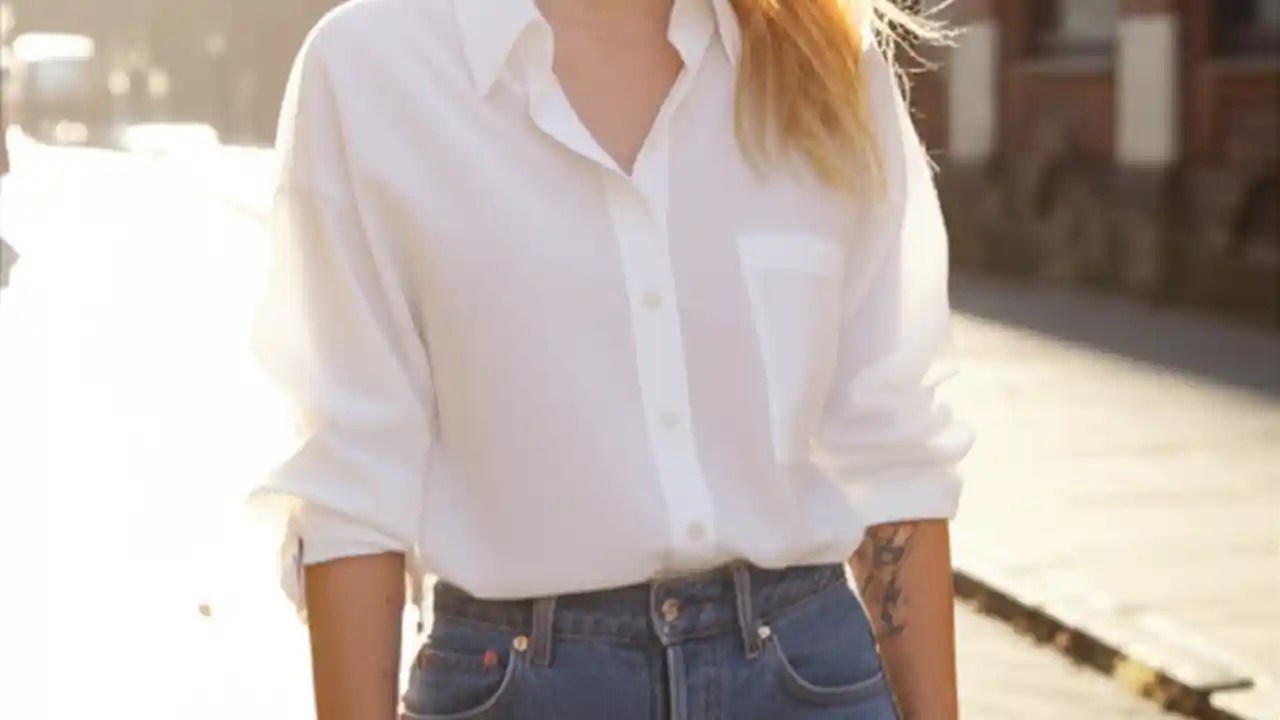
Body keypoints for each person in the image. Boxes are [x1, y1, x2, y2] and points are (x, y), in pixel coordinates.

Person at [251, 0, 974, 718]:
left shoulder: (828, 58)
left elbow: (891, 452)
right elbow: (354, 480)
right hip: (516, 686)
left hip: (808, 676)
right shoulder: (372, 68)